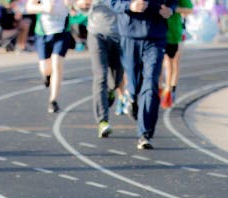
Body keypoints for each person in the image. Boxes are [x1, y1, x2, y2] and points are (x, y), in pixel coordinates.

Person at [110, 0, 177, 150]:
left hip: (155, 36)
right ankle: (131, 98)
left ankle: (144, 134)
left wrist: (170, 10)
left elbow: (173, 2)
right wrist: (129, 6)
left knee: (151, 82)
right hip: (130, 35)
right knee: (134, 85)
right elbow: (113, 3)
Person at [74, 0, 124, 138]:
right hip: (96, 33)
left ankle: (110, 91)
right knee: (100, 75)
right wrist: (80, 4)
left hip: (119, 35)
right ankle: (102, 121)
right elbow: (77, 5)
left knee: (115, 81)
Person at [25, 0, 74, 113]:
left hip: (61, 33)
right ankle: (47, 76)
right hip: (43, 34)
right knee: (45, 68)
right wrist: (43, 8)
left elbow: (75, 4)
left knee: (57, 64)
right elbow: (29, 7)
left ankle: (53, 100)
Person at [159, 0, 192, 109]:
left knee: (173, 63)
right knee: (164, 63)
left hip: (175, 33)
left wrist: (173, 9)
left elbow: (189, 9)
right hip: (159, 32)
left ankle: (170, 90)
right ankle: (163, 90)